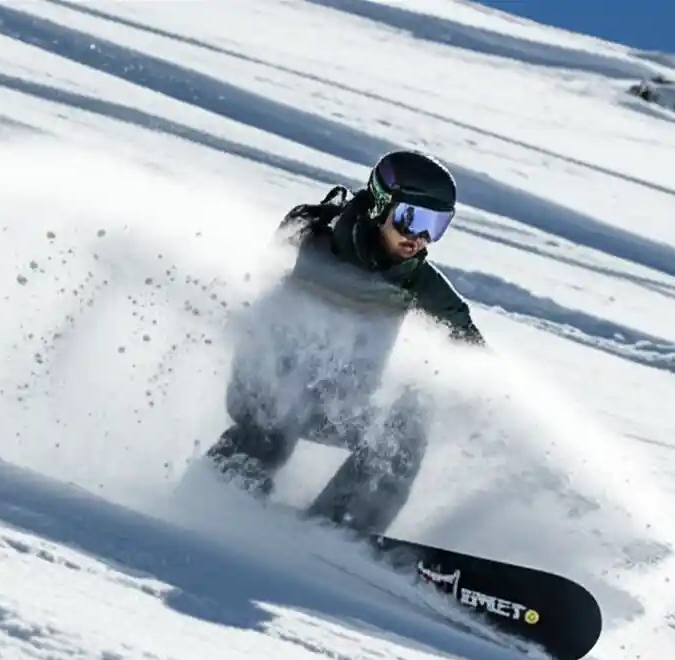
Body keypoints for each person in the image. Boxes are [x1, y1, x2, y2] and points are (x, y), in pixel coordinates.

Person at [205, 149, 485, 536]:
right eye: (411, 218)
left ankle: (340, 527)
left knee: (406, 422)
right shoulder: (316, 237)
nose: (419, 238)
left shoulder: (419, 282)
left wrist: (492, 397)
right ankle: (222, 491)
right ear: (380, 205)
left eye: (435, 226)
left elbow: (471, 348)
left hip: (337, 404)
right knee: (284, 408)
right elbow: (259, 287)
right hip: (266, 387)